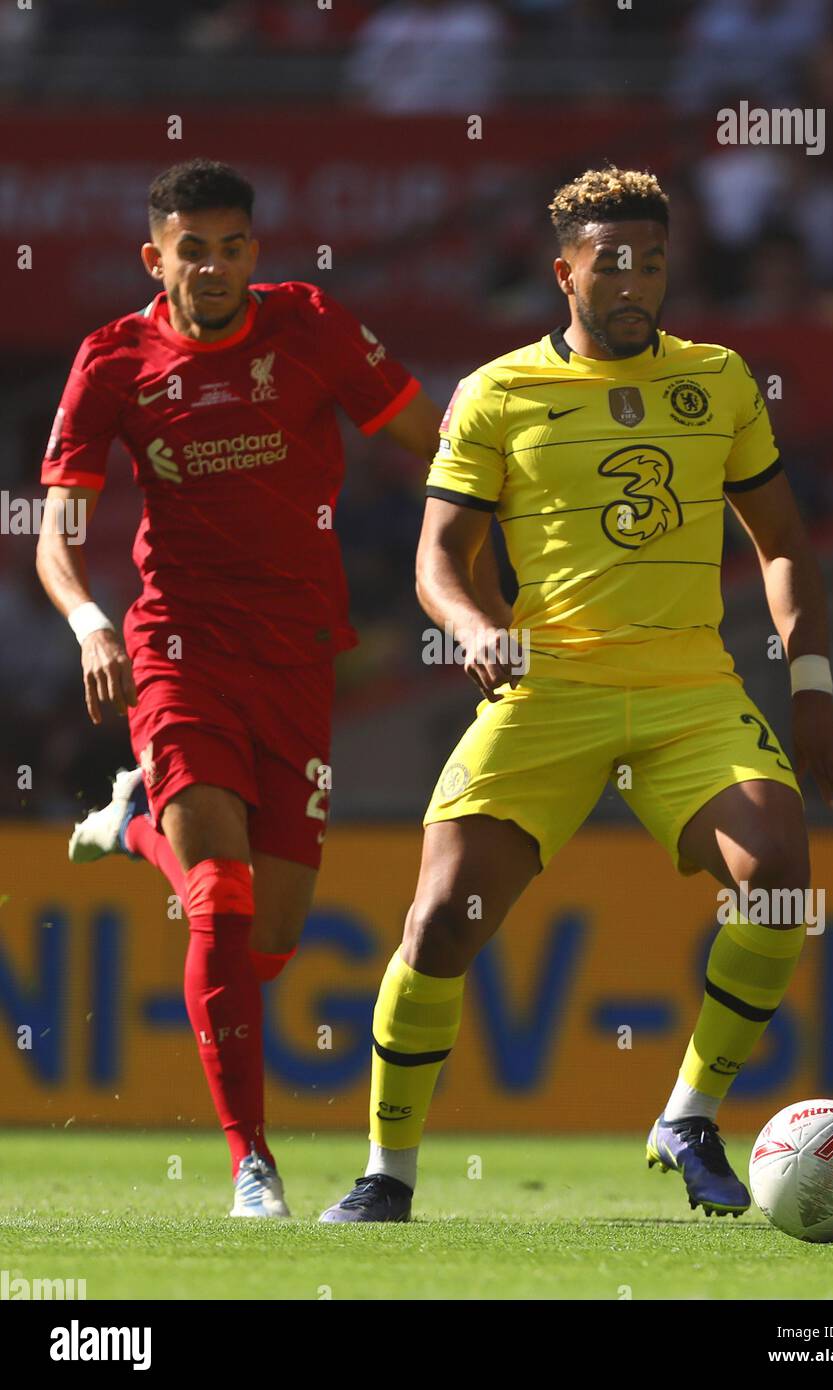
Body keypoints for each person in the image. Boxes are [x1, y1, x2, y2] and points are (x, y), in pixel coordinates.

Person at [320, 165, 833, 1224]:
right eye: (611, 262)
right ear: (560, 270)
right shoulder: (495, 393)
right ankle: (388, 1172)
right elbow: (436, 559)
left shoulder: (718, 379)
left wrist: (811, 683)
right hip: (548, 689)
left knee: (781, 876)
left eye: (652, 263)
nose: (634, 282)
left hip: (686, 691)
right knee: (437, 925)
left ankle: (687, 1113)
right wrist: (474, 627)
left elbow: (784, 542)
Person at [34, 157, 500, 1218]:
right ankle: (253, 1163)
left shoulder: (312, 328)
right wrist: (89, 620)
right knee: (222, 901)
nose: (213, 266)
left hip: (296, 656)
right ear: (154, 259)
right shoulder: (113, 360)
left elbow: (441, 450)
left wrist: (481, 586)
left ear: (255, 249)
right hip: (177, 651)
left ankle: (135, 820)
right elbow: (54, 529)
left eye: (232, 244)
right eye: (190, 248)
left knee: (270, 942)